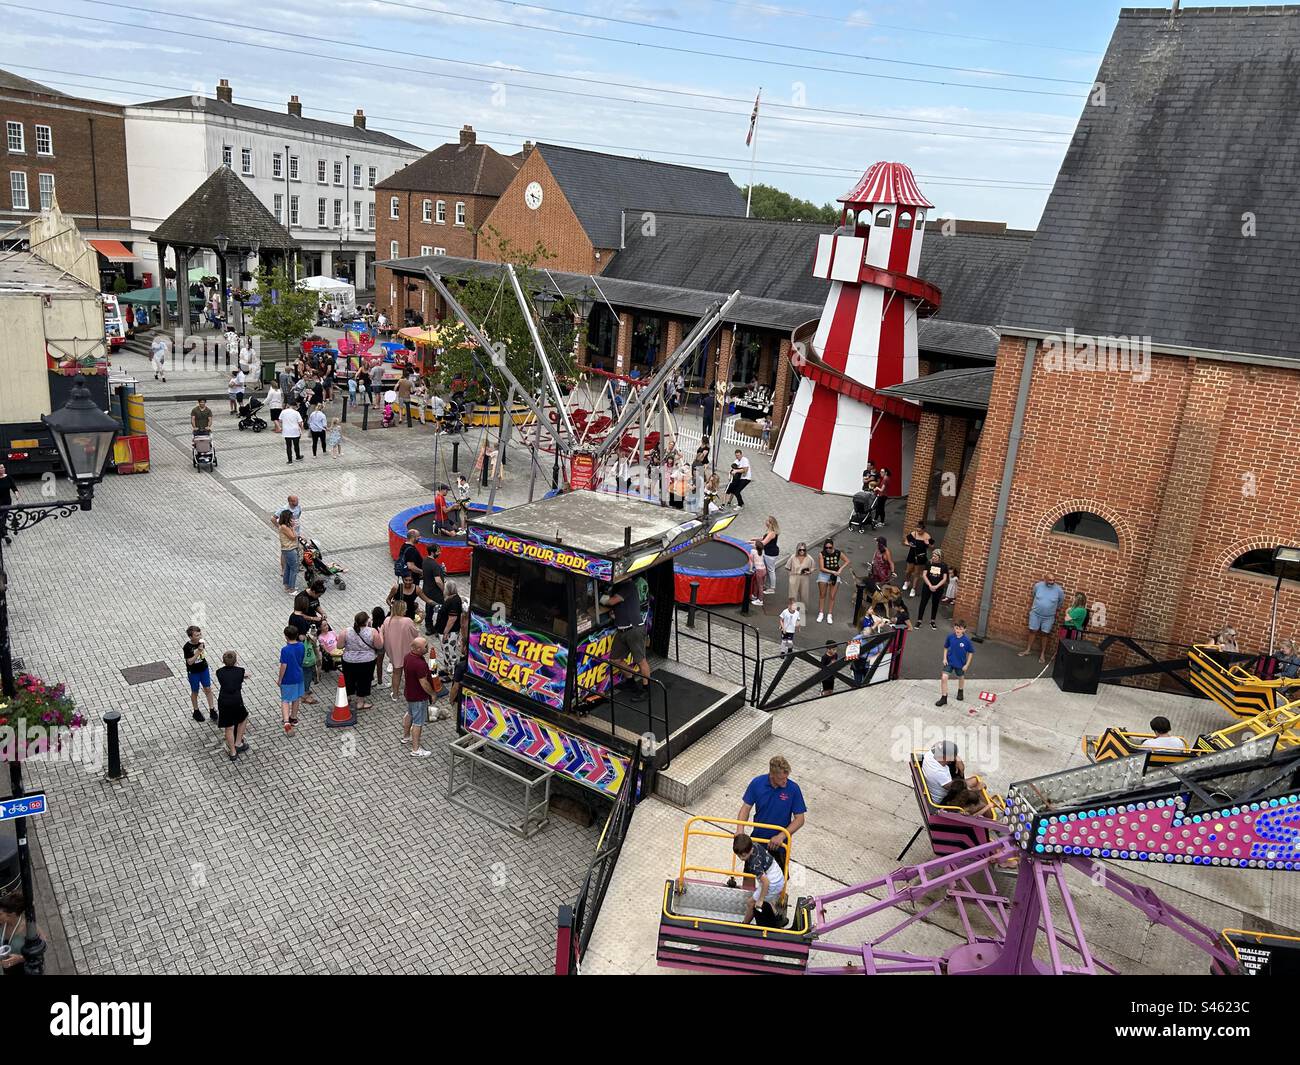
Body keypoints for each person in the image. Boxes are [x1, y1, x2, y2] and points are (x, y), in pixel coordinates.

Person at [735, 755, 806, 874]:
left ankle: (781, 893)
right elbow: (746, 808)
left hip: (780, 845)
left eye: (786, 777)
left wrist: (781, 836)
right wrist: (740, 830)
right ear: (772, 775)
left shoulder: (793, 789)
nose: (785, 782)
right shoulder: (757, 783)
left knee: (779, 880)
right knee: (749, 874)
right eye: (781, 779)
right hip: (758, 839)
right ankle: (748, 893)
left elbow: (800, 819)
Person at [601, 580, 650, 699]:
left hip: (634, 630)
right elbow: (620, 607)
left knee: (641, 661)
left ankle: (646, 690)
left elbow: (612, 601)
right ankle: (630, 682)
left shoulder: (628, 585)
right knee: (615, 659)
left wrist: (601, 598)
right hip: (622, 630)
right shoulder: (619, 587)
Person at [732, 833, 786, 928]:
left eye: (743, 856)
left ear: (751, 850)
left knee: (751, 903)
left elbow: (766, 882)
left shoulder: (754, 865)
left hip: (773, 882)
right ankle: (778, 917)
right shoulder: (754, 844)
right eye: (738, 856)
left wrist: (760, 900)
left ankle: (744, 925)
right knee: (767, 900)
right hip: (778, 875)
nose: (741, 858)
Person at [401, 637, 441, 756]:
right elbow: (424, 683)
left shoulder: (408, 657)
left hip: (409, 693)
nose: (427, 648)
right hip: (418, 697)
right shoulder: (419, 664)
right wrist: (433, 694)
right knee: (418, 722)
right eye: (425, 646)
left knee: (409, 713)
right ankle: (416, 749)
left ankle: (406, 736)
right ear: (418, 649)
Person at [342, 610, 382, 713]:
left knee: (349, 678)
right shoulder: (372, 631)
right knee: (364, 680)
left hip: (349, 660)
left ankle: (348, 697)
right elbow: (379, 646)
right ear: (366, 621)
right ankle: (360, 702)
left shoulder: (346, 631)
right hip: (367, 661)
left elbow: (339, 646)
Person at [1021, 577, 1066, 663]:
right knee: (1032, 631)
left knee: (1045, 634)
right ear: (1045, 579)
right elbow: (1034, 594)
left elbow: (1060, 601)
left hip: (1048, 617)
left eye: (1053, 580)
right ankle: (1028, 650)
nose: (1051, 582)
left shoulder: (1059, 590)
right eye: (1050, 580)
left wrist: (1053, 608)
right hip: (1035, 614)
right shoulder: (1038, 586)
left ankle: (1042, 654)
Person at [380, 600, 419, 700]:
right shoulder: (407, 621)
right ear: (402, 609)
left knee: (396, 673)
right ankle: (411, 694)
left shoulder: (387, 620)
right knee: (409, 675)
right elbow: (415, 634)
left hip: (394, 652)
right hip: (408, 652)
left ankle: (395, 695)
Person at [936, 619, 974, 707]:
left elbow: (971, 653)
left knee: (960, 677)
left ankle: (960, 690)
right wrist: (944, 658)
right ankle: (944, 697)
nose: (958, 630)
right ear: (954, 628)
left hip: (960, 663)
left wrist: (967, 665)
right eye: (956, 628)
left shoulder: (967, 641)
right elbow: (946, 647)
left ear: (964, 630)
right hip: (949, 662)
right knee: (944, 677)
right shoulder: (950, 637)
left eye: (960, 629)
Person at [182, 625, 216, 723]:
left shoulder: (201, 642)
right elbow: (190, 662)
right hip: (193, 672)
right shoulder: (187, 647)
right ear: (191, 637)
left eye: (200, 634)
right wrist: (198, 652)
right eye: (197, 635)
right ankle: (196, 711)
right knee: (195, 691)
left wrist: (201, 651)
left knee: (208, 688)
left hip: (204, 669)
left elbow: (202, 655)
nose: (199, 636)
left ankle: (212, 709)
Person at [278, 626, 306, 735]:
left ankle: (286, 722)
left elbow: (283, 666)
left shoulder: (285, 650)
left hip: (288, 678)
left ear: (286, 636)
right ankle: (294, 718)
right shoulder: (301, 646)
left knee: (285, 700)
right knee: (296, 698)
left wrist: (280, 679)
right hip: (299, 676)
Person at [816, 537, 846, 624]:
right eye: (826, 548)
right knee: (822, 595)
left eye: (830, 547)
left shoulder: (837, 553)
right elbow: (822, 568)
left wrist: (840, 569)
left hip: (835, 575)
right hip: (824, 575)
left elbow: (847, 561)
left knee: (832, 596)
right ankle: (821, 613)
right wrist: (833, 571)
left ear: (833, 546)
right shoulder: (822, 554)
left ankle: (829, 614)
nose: (828, 549)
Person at [918, 548, 949, 630]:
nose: (933, 557)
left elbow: (944, 578)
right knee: (923, 602)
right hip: (927, 586)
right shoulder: (929, 563)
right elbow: (924, 575)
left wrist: (936, 586)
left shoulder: (944, 566)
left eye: (935, 556)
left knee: (935, 604)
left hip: (938, 588)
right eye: (933, 555)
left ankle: (932, 621)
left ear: (940, 557)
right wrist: (930, 585)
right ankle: (919, 620)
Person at [435, 580, 464, 665]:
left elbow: (452, 619)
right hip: (448, 631)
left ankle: (452, 671)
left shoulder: (454, 601)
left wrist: (445, 632)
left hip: (450, 632)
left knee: (450, 651)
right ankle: (448, 668)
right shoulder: (452, 598)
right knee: (446, 651)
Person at [421, 543, 447, 636]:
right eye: (438, 551)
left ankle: (429, 627)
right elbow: (438, 581)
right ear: (432, 552)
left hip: (426, 590)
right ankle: (438, 629)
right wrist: (444, 590)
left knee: (429, 609)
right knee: (441, 610)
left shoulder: (425, 561)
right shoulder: (435, 565)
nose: (439, 553)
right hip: (436, 592)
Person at [783, 543, 814, 618]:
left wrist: (810, 572)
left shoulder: (809, 558)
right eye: (800, 549)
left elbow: (812, 568)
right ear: (797, 550)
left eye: (803, 549)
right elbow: (787, 567)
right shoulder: (793, 557)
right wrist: (791, 574)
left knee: (804, 594)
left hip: (804, 577)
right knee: (793, 594)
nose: (802, 551)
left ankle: (803, 610)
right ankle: (793, 610)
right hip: (794, 576)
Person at [902, 522, 932, 596]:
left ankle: (913, 589)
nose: (918, 532)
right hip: (912, 554)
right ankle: (907, 581)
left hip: (921, 556)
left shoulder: (927, 536)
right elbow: (906, 541)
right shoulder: (913, 534)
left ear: (923, 530)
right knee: (908, 570)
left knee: (917, 573)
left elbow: (932, 546)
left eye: (920, 531)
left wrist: (927, 543)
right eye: (917, 530)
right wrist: (909, 544)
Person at [276, 510, 299, 593]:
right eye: (291, 518)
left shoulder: (284, 526)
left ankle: (287, 585)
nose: (292, 519)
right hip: (290, 549)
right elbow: (293, 537)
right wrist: (293, 528)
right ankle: (291, 589)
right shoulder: (284, 527)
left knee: (288, 567)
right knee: (294, 569)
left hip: (287, 549)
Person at [759, 516, 780, 595]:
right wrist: (755, 539)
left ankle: (772, 588)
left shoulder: (772, 533)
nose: (765, 522)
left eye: (767, 521)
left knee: (771, 570)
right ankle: (764, 584)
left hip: (771, 553)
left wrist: (754, 544)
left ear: (770, 523)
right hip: (770, 552)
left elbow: (763, 543)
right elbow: (763, 538)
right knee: (768, 569)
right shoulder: (770, 531)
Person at [747, 540, 766, 608]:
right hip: (764, 569)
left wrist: (750, 569)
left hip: (759, 570)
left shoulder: (753, 551)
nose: (753, 544)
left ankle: (760, 600)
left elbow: (751, 562)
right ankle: (755, 595)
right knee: (756, 582)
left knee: (760, 586)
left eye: (754, 544)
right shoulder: (762, 551)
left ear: (756, 546)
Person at [0, 464, 14, 545]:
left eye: (3, 467)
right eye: (1, 468)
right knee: (1, 518)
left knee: (3, 517)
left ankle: (4, 533)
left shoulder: (8, 477)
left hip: (7, 501)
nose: (3, 469)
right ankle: (5, 535)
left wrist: (16, 493)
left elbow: (13, 486)